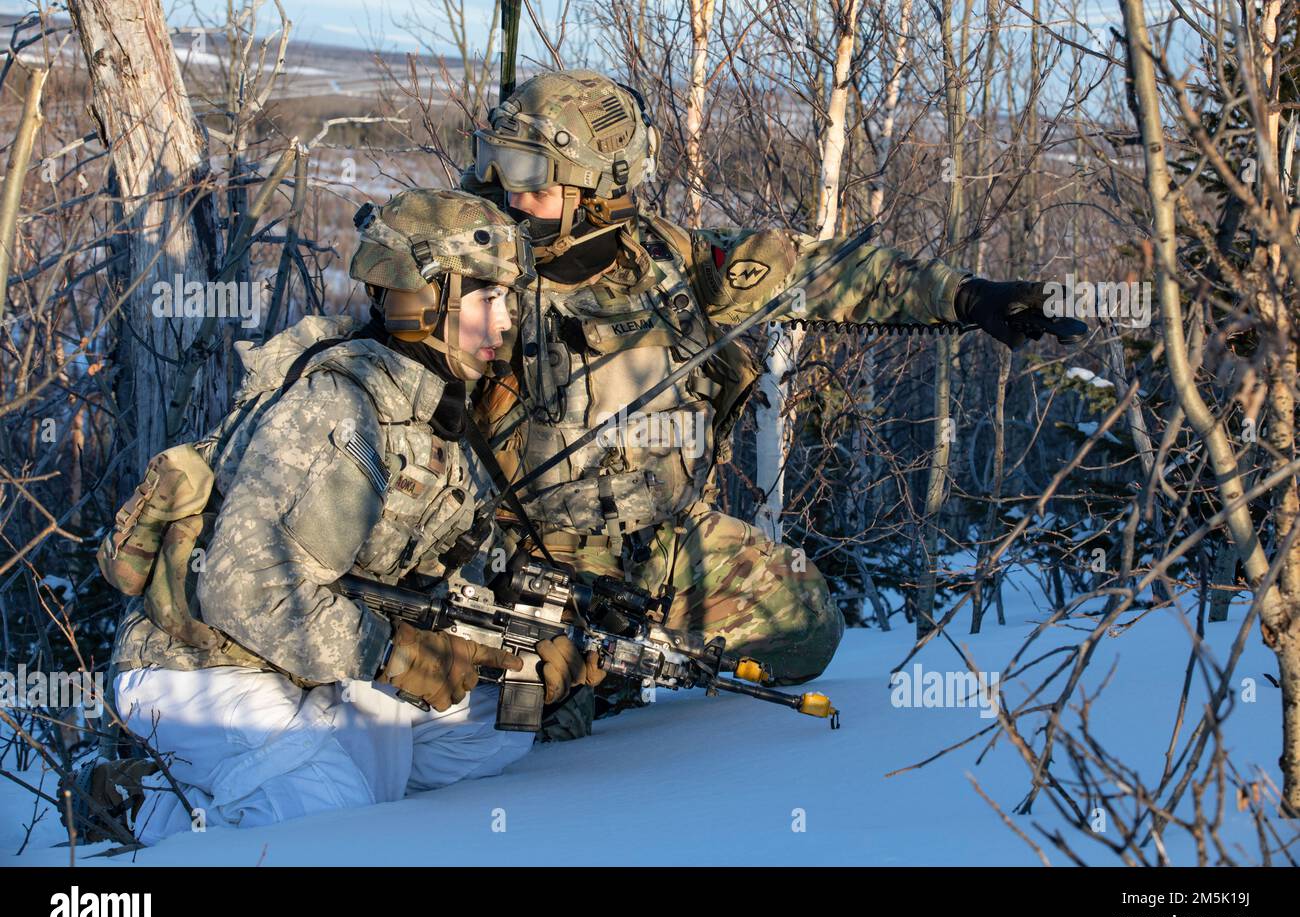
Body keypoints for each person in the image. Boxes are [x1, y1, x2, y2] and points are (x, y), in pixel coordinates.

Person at [460, 69, 1086, 734]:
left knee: (807, 624)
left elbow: (816, 271)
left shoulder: (662, 261)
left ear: (599, 186)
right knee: (534, 725)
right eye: (493, 164)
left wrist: (967, 296)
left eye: (531, 174)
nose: (506, 192)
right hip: (523, 559)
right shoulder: (474, 275)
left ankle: (622, 663)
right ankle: (580, 678)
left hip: (655, 545)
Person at [81, 189, 590, 845]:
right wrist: (401, 655)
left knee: (496, 737)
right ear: (423, 297)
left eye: (510, 303)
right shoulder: (339, 404)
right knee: (334, 822)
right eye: (487, 299)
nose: (503, 324)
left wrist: (521, 655)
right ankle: (147, 809)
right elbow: (246, 592)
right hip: (202, 668)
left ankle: (261, 787)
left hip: (310, 664)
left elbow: (426, 579)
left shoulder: (436, 409)